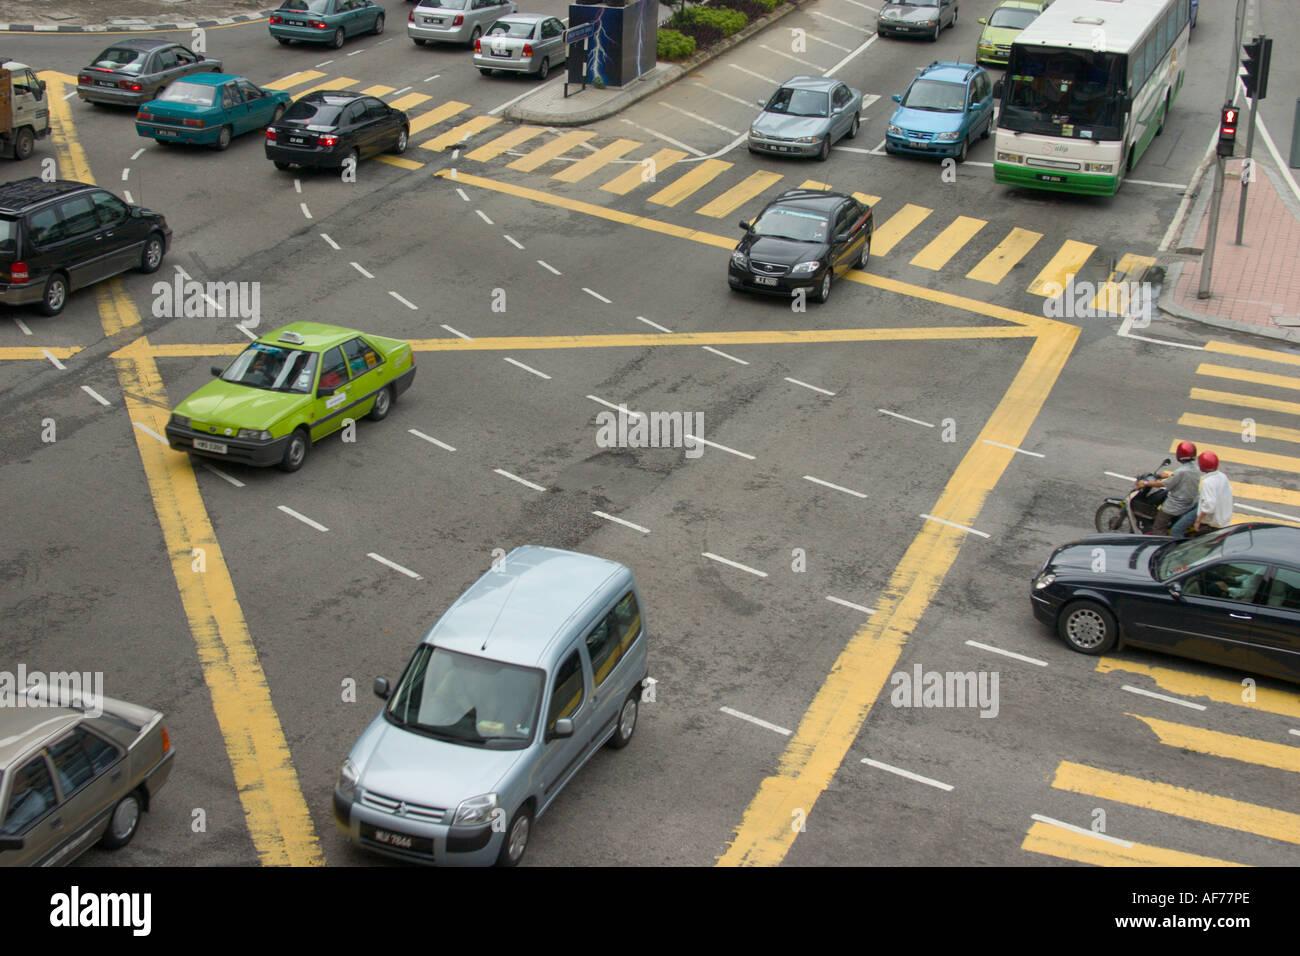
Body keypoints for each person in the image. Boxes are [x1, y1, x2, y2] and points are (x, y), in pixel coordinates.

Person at [1137, 440, 1199, 534]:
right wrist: (1168, 476)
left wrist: (1145, 483)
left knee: (1158, 527)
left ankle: (1160, 542)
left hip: (1175, 506)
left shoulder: (1181, 471)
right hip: (1188, 503)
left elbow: (1164, 484)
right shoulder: (1196, 468)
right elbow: (1179, 480)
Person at [1171, 451, 1233, 538]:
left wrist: (1198, 521)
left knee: (1176, 530)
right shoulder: (1222, 476)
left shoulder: (1208, 482)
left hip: (1212, 521)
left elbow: (1209, 506)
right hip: (1223, 519)